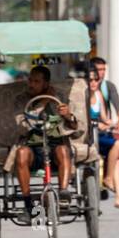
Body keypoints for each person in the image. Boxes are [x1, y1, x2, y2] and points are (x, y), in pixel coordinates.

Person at [13, 65, 77, 218]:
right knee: (21, 153)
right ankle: (28, 203)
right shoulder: (21, 100)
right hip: (33, 148)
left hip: (55, 147)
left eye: (36, 81)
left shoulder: (60, 97)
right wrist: (42, 103)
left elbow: (75, 125)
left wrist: (68, 115)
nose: (31, 84)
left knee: (63, 150)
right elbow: (22, 126)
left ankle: (63, 194)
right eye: (30, 80)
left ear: (46, 83)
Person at [89, 56, 119, 211]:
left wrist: (116, 123)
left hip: (102, 132)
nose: (100, 75)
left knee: (117, 157)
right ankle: (115, 192)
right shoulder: (84, 91)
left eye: (103, 70)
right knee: (116, 153)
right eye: (98, 70)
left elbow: (115, 107)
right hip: (89, 133)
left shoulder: (106, 88)